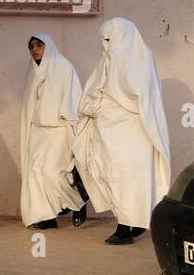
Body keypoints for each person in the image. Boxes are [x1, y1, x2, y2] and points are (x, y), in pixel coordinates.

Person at [71, 17, 171, 245]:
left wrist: (103, 104)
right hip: (110, 134)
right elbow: (95, 89)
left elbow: (137, 96)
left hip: (133, 134)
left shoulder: (139, 59)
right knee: (115, 178)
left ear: (121, 37)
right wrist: (98, 105)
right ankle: (132, 223)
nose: (106, 45)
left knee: (130, 180)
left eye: (109, 39)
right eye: (103, 40)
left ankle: (125, 228)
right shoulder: (110, 57)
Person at [19, 33, 88, 229]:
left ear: (48, 46)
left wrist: (69, 123)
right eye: (31, 46)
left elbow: (74, 98)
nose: (34, 50)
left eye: (39, 45)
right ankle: (46, 217)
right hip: (37, 132)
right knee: (33, 172)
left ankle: (78, 200)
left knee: (51, 173)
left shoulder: (64, 67)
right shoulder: (32, 71)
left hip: (58, 130)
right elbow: (29, 103)